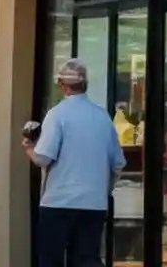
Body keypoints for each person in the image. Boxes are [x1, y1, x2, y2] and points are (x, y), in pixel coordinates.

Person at [23, 59, 126, 267]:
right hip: (93, 204)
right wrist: (105, 190)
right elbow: (118, 163)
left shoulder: (57, 114)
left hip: (58, 203)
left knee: (51, 259)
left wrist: (28, 147)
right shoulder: (102, 116)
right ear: (85, 84)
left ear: (62, 85)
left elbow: (43, 158)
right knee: (87, 260)